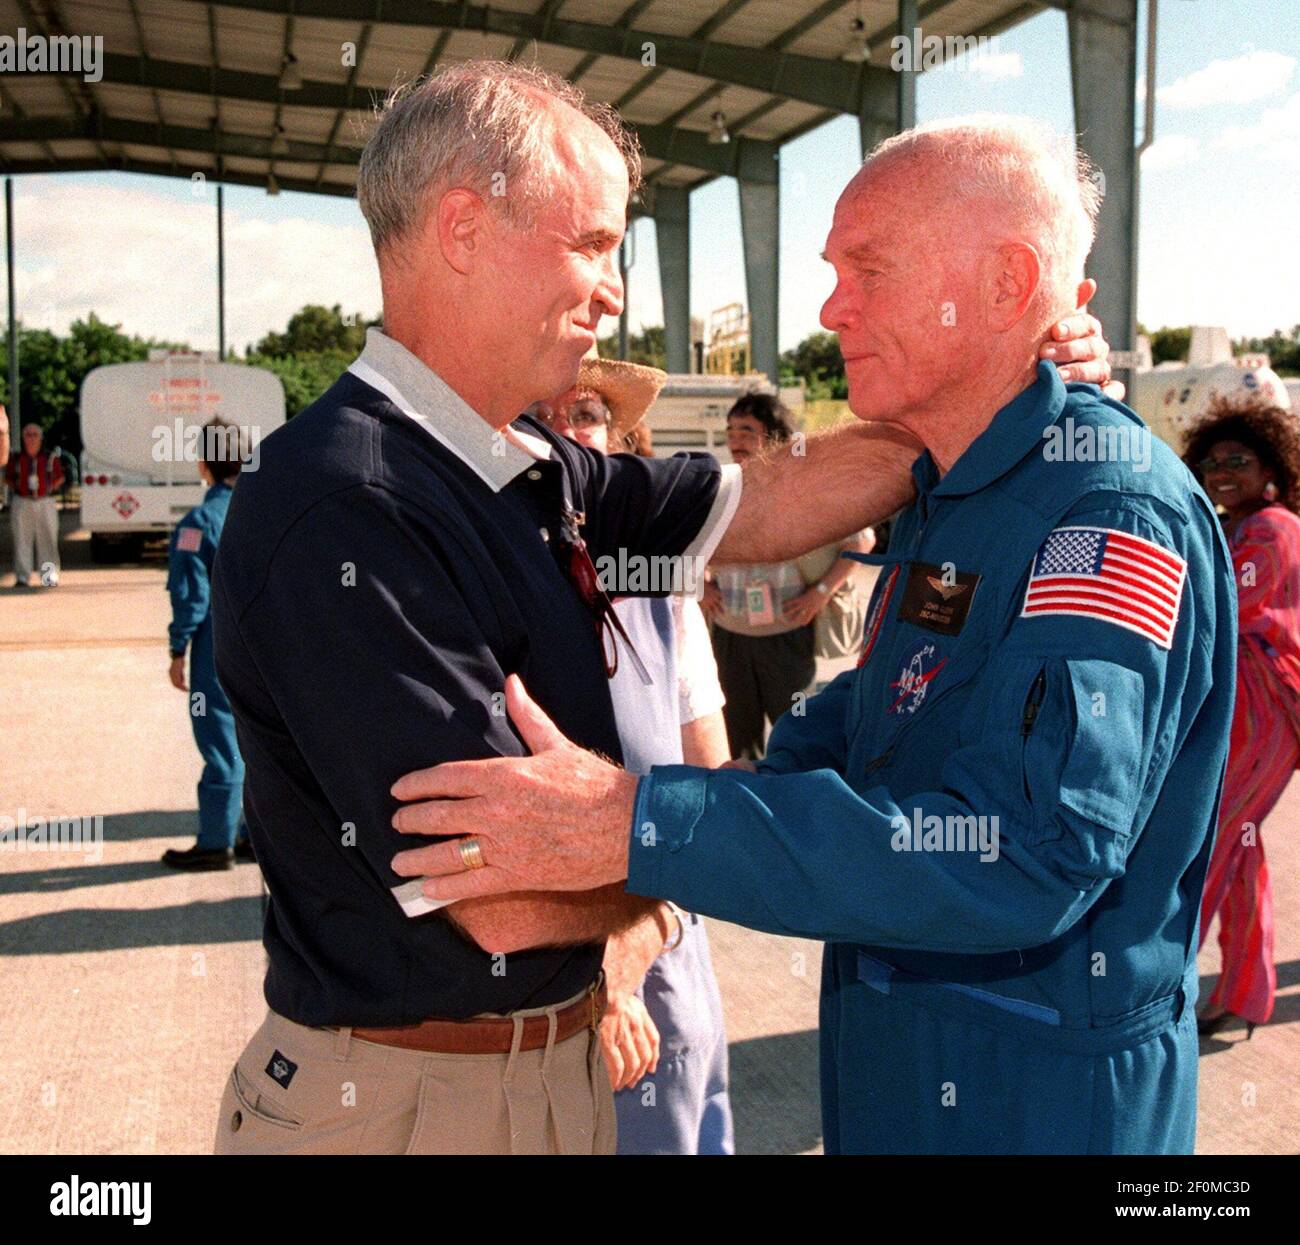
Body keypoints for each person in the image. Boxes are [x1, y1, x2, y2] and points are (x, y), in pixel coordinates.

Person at [212, 64, 1111, 1156]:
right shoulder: (346, 506)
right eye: (590, 243)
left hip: (545, 1069)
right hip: (406, 1103)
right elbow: (500, 897)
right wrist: (668, 870)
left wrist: (997, 383)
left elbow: (772, 496)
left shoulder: (527, 465)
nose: (613, 291)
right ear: (461, 228)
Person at [390, 116, 1231, 1157]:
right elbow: (888, 708)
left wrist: (647, 822)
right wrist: (711, 795)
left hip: (1038, 1098)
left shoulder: (1102, 513)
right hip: (908, 1057)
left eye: (866, 271)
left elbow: (1027, 853)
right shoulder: (959, 494)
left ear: (1010, 285)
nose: (831, 308)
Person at [532, 356, 734, 1154]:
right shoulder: (456, 583)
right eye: (536, 412)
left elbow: (711, 795)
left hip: (659, 950)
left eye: (583, 413)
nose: (562, 434)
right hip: (520, 980)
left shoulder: (663, 590)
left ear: (617, 440)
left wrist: (633, 946)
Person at [1183, 396, 1300, 1038]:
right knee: (1240, 851)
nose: (1222, 471)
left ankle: (1159, 986)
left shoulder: (1273, 527)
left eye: (1238, 460)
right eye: (1210, 462)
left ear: (1271, 468)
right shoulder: (1237, 527)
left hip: (1265, 715)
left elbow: (1220, 603)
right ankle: (1245, 994)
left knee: (1209, 843)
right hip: (1245, 710)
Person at [704, 393, 872, 756]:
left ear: (775, 436)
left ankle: (790, 809)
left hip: (787, 638)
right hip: (730, 638)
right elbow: (683, 543)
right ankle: (740, 811)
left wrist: (821, 592)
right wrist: (699, 585)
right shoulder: (717, 486)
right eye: (731, 430)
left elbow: (861, 540)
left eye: (747, 431)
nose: (735, 439)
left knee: (794, 739)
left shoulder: (806, 491)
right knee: (737, 746)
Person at [162, 420, 252, 872]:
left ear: (205, 464)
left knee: (220, 742)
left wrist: (178, 650)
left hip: (219, 651)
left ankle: (217, 842)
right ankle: (250, 833)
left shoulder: (198, 524)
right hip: (267, 653)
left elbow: (190, 596)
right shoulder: (266, 513)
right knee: (257, 740)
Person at [6, 422, 64, 587]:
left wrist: (48, 487)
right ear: (23, 438)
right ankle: (22, 576)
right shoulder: (17, 458)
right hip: (22, 502)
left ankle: (48, 576)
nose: (31, 438)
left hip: (45, 502)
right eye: (28, 435)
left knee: (47, 540)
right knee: (22, 540)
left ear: (41, 438)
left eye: (34, 435)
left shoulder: (50, 458)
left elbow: (60, 477)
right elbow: (9, 479)